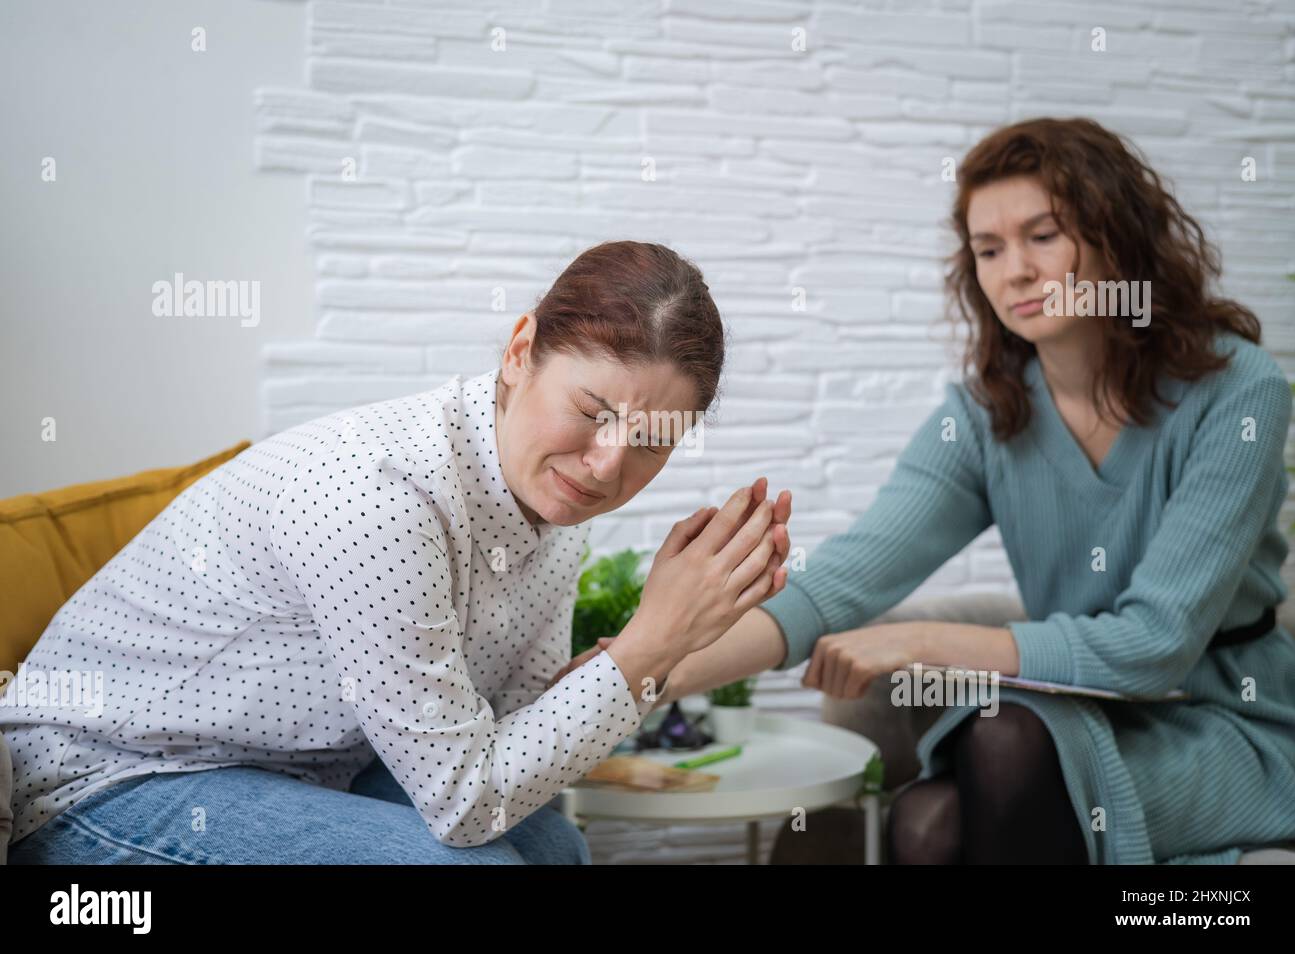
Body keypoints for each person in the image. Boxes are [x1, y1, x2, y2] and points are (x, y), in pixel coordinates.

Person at [2, 240, 793, 864]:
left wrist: (661, 643)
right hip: (105, 778)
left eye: (652, 443)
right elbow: (467, 799)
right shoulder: (381, 496)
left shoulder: (554, 505)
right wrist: (651, 646)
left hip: (295, 770)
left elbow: (505, 732)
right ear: (521, 351)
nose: (608, 465)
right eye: (591, 412)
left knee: (556, 847)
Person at [654, 118, 1295, 864]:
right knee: (933, 817)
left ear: (1117, 235)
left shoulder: (1236, 389)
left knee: (977, 773)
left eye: (1043, 236)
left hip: (1223, 721)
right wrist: (643, 673)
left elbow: (1155, 645)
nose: (1014, 271)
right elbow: (837, 584)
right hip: (1081, 714)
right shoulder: (987, 417)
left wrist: (920, 642)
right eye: (988, 249)